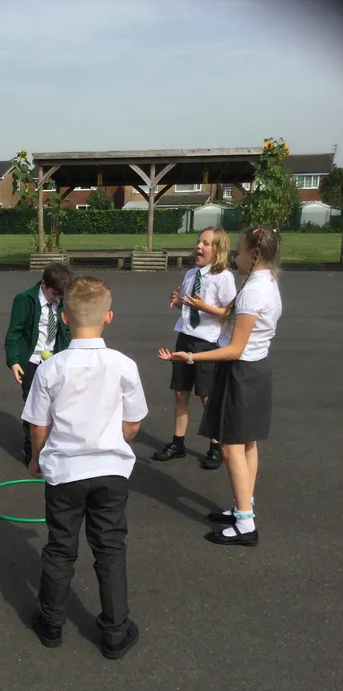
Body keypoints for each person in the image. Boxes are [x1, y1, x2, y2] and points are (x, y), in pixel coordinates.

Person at [23, 276, 148, 659]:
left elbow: (39, 425)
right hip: (111, 470)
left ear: (63, 318)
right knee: (110, 547)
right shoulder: (123, 365)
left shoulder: (51, 368)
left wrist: (36, 458)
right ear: (108, 317)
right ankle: (114, 630)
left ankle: (51, 623)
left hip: (65, 472)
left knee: (60, 547)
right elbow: (133, 424)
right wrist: (113, 441)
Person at [159, 226, 282, 546]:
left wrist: (190, 357)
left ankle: (245, 524)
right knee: (247, 443)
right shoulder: (265, 282)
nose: (236, 256)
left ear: (255, 255)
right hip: (255, 369)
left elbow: (234, 348)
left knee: (230, 446)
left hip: (241, 370)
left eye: (240, 251)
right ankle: (245, 506)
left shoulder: (254, 291)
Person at [153, 227, 236, 469]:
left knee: (207, 396)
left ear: (218, 249)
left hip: (208, 343)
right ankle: (177, 444)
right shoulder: (191, 274)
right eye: (199, 242)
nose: (199, 247)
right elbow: (189, 307)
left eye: (206, 244)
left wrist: (204, 306)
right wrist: (179, 302)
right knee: (180, 393)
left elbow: (231, 313)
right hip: (185, 337)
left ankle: (215, 446)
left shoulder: (224, 278)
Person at [4, 262, 72, 466]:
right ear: (43, 284)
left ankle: (54, 447)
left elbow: (67, 331)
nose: (58, 298)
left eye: (61, 294)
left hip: (56, 359)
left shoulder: (61, 301)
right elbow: (14, 332)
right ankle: (31, 449)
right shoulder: (25, 300)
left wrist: (70, 356)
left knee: (58, 406)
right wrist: (14, 361)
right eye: (54, 293)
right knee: (34, 407)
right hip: (32, 361)